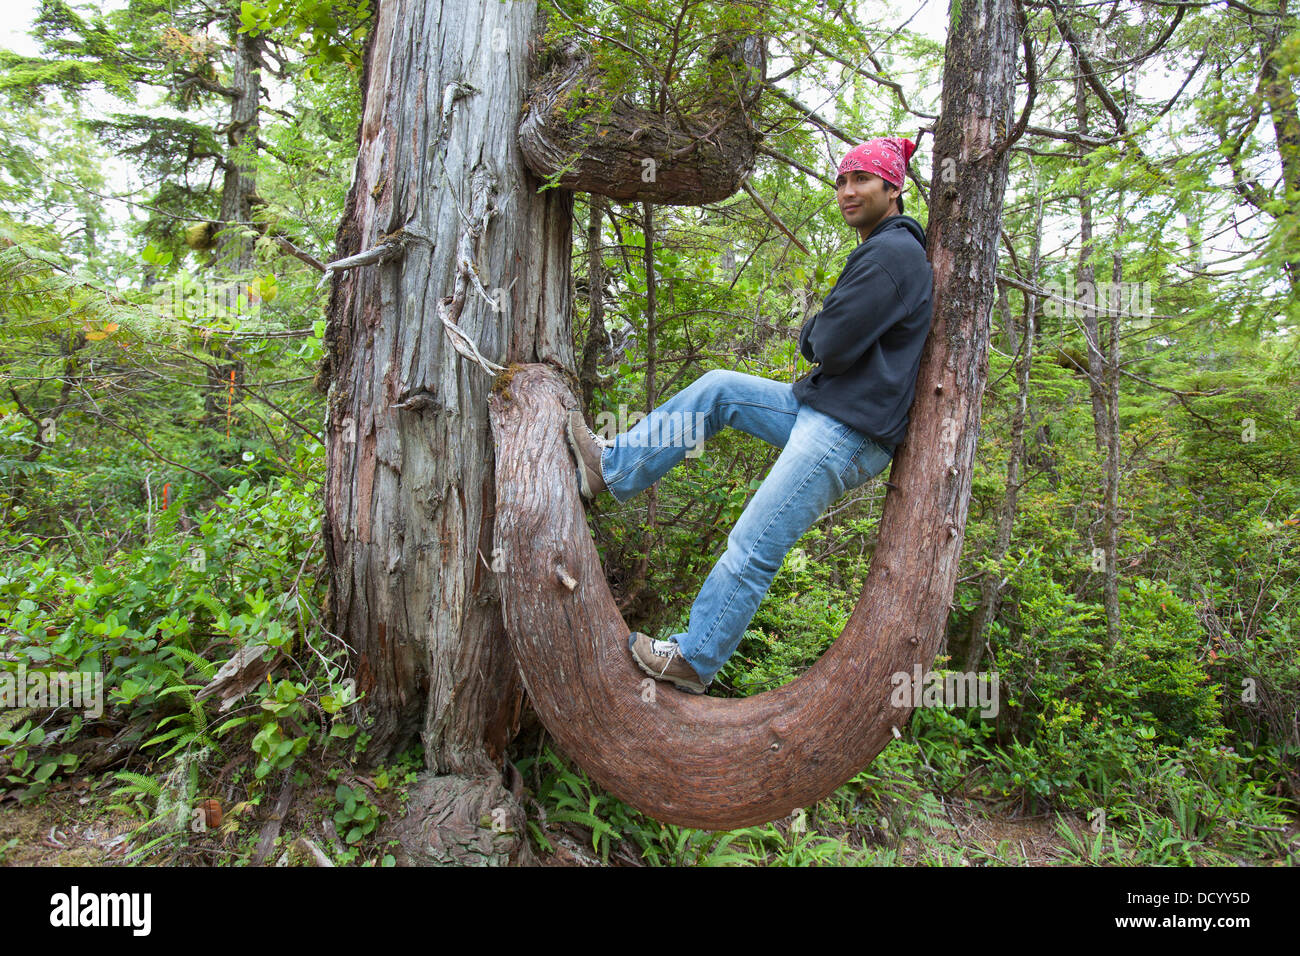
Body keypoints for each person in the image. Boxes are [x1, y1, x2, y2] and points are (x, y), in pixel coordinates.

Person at [565, 136, 934, 695]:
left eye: (861, 179)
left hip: (847, 431)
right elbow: (838, 336)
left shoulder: (892, 254)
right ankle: (611, 467)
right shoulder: (885, 249)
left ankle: (695, 658)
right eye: (841, 180)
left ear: (892, 186)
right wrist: (824, 329)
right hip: (825, 409)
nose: (847, 191)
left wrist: (813, 329)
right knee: (719, 390)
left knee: (754, 542)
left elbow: (828, 342)